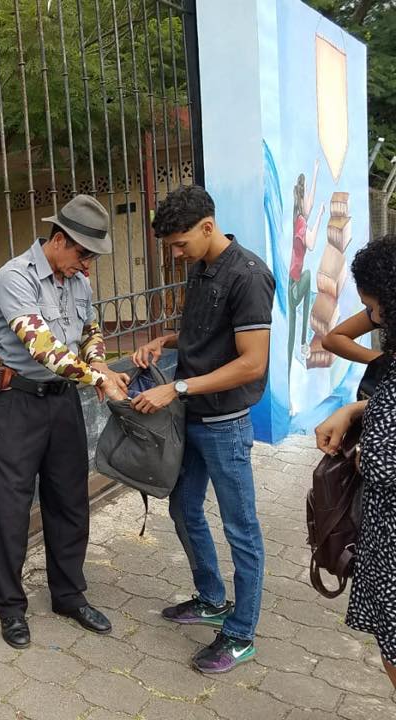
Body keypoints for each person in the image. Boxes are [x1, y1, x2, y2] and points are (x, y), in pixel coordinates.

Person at [131, 185, 275, 674]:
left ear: (208, 227)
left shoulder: (249, 275)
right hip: (192, 417)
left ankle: (240, 634)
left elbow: (252, 363)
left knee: (242, 529)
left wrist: (178, 388)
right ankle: (212, 597)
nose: (175, 254)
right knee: (184, 506)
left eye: (179, 244)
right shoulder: (202, 269)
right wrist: (164, 339)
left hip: (225, 422)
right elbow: (205, 334)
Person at [0, 194, 129, 650]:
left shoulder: (78, 282)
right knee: (9, 508)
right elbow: (42, 347)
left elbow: (90, 332)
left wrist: (100, 365)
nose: (87, 267)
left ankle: (68, 595)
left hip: (63, 402)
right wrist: (99, 381)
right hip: (17, 403)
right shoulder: (15, 279)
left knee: (69, 501)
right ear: (60, 240)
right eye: (83, 254)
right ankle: (10, 608)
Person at [315, 234, 396, 691]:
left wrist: (373, 456)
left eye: (376, 308)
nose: (375, 317)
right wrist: (355, 408)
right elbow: (336, 336)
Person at [287, 162, 324, 383]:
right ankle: (303, 341)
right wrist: (319, 216)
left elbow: (308, 200)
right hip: (293, 284)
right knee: (290, 340)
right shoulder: (301, 223)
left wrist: (316, 170)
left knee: (289, 341)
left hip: (293, 281)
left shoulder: (299, 216)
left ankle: (301, 341)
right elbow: (311, 243)